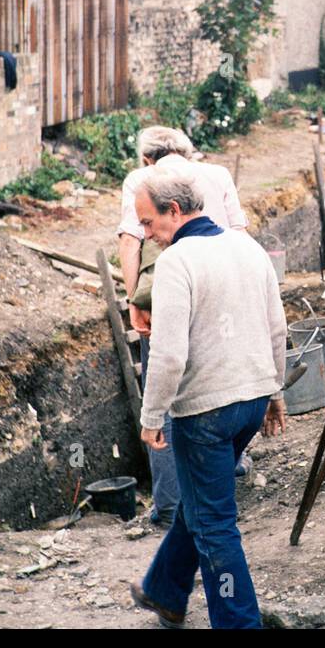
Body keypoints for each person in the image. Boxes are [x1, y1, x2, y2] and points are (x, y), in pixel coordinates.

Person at [128, 170, 287, 629]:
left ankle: (240, 623)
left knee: (215, 525)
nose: (145, 233)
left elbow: (169, 351)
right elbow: (277, 328)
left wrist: (152, 414)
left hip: (206, 412)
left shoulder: (178, 261)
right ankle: (165, 592)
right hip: (250, 402)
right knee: (203, 501)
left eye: (148, 222)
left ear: (173, 211)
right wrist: (275, 391)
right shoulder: (247, 247)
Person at [117, 127, 251, 527]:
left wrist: (136, 302)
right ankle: (230, 472)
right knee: (222, 376)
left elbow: (130, 240)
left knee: (166, 383)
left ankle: (172, 505)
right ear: (188, 153)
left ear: (146, 159)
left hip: (173, 290)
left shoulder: (140, 181)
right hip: (222, 289)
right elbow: (240, 236)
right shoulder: (219, 174)